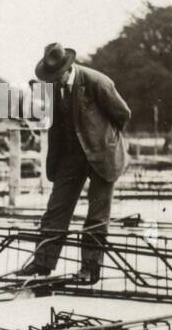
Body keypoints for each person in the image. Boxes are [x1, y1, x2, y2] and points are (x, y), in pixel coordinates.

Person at [18, 43, 132, 283]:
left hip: (102, 154)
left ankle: (90, 268)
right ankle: (42, 262)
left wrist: (104, 140)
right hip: (71, 155)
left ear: (66, 70)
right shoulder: (52, 88)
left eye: (55, 77)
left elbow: (122, 114)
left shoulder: (97, 82)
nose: (52, 81)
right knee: (56, 208)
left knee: (97, 215)